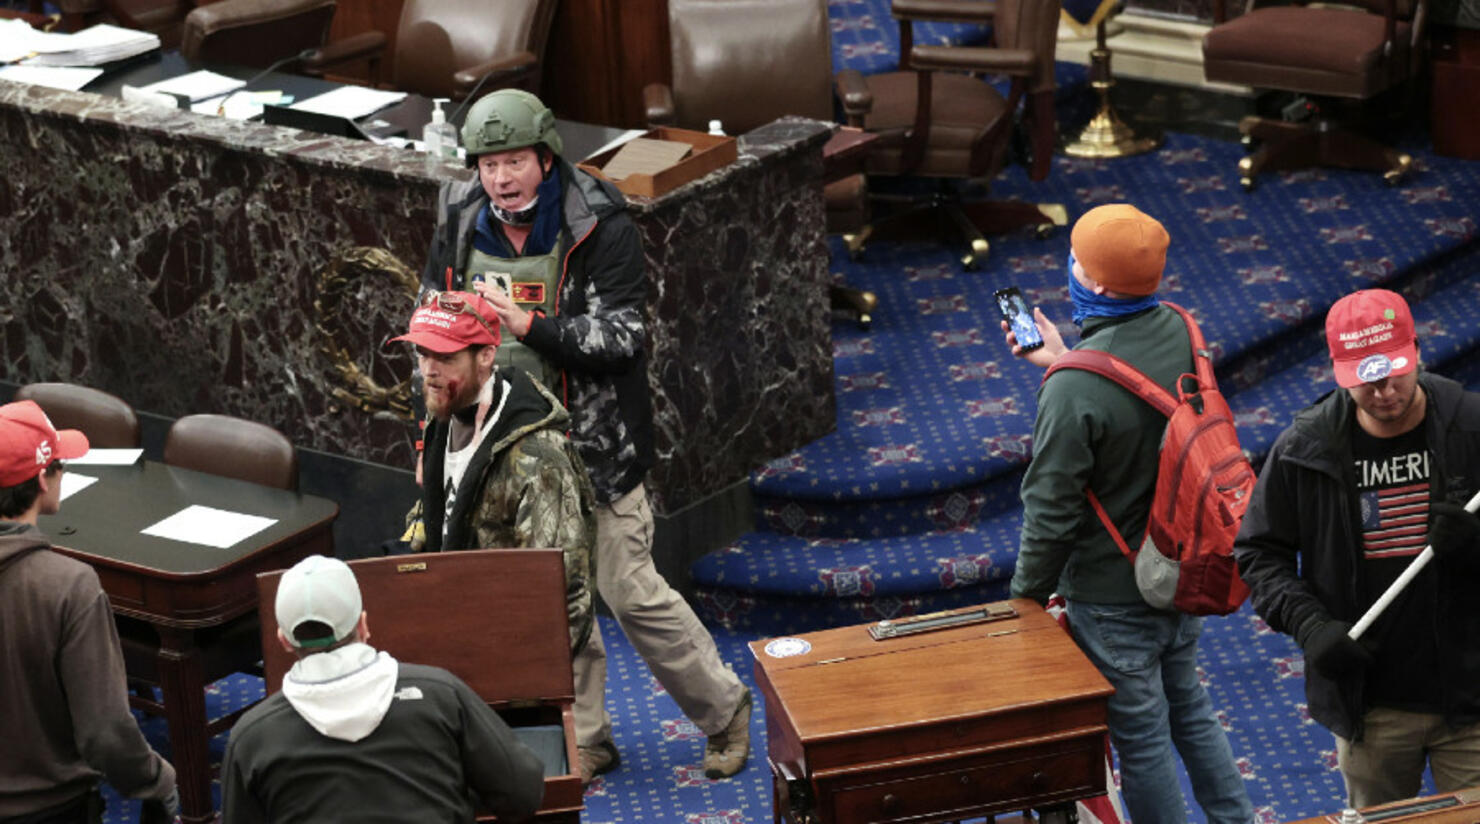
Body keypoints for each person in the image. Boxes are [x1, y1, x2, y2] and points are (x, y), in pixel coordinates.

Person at [419, 88, 751, 783]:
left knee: (628, 592)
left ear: (545, 157)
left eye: (513, 162)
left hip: (597, 446)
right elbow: (432, 306)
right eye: (487, 165)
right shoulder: (457, 214)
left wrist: (526, 326)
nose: (501, 179)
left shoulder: (597, 220)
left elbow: (625, 335)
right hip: (509, 448)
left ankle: (725, 711)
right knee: (546, 600)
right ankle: (588, 736)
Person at [1004, 204, 1255, 824]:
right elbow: (1128, 391)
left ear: (1093, 285)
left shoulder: (1074, 390)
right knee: (1190, 708)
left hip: (1113, 595)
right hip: (1185, 566)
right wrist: (1066, 357)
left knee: (1142, 740)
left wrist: (1025, 599)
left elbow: (1051, 512)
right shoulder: (1181, 327)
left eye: (1075, 261)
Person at [1233, 288, 1480, 809]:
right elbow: (1259, 553)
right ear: (1337, 371)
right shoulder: (1304, 449)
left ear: (1416, 348)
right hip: (1371, 704)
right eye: (1365, 380)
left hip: (1472, 692)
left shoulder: (1472, 426)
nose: (1384, 391)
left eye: (1394, 371)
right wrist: (1311, 626)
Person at [221, 554, 544, 822]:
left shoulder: (250, 738)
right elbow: (523, 794)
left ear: (284, 641)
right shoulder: (439, 695)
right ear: (363, 625)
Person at [0, 400, 179, 824]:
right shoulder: (67, 586)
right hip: (51, 810)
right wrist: (158, 783)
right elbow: (106, 733)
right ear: (43, 480)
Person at [393, 289, 597, 657]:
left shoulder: (539, 457)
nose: (428, 370)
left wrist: (515, 676)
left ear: (486, 356)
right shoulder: (444, 416)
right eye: (422, 353)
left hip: (504, 654)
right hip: (452, 631)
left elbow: (567, 595)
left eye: (445, 356)